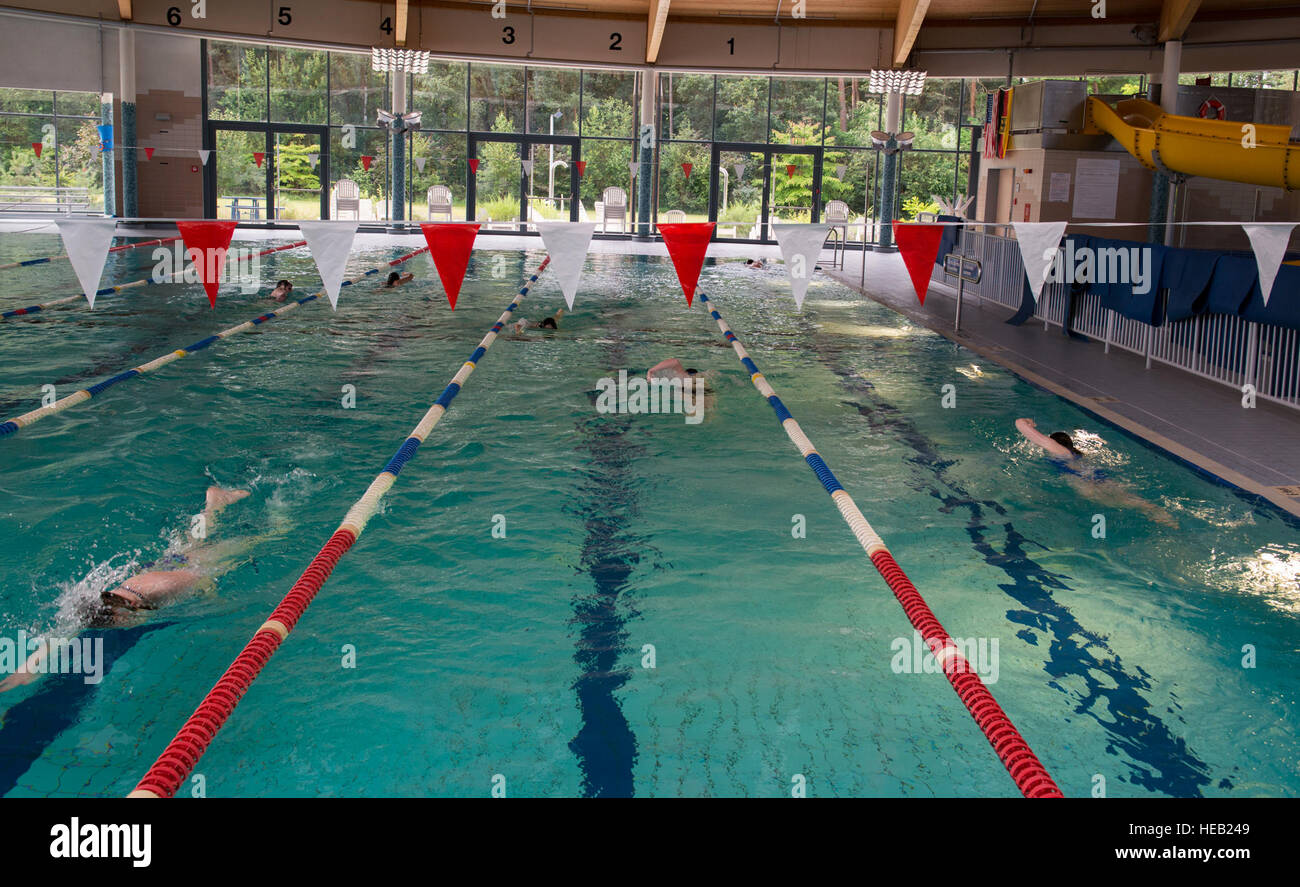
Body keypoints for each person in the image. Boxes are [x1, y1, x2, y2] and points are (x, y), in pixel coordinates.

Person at [0, 486, 258, 694]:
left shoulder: (161, 588)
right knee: (190, 545)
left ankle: (217, 504)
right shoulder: (106, 602)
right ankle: (213, 503)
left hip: (183, 570)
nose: (125, 627)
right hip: (163, 567)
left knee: (249, 544)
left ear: (130, 608)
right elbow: (67, 630)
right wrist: (27, 668)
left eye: (123, 623)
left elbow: (201, 578)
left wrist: (215, 599)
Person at [1015, 418, 1176, 527]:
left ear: (1053, 441)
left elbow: (1020, 424)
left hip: (1081, 480)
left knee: (1114, 503)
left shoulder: (1058, 450)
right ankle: (1157, 512)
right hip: (1097, 474)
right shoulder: (1074, 453)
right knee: (1129, 499)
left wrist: (1029, 422)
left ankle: (1152, 515)